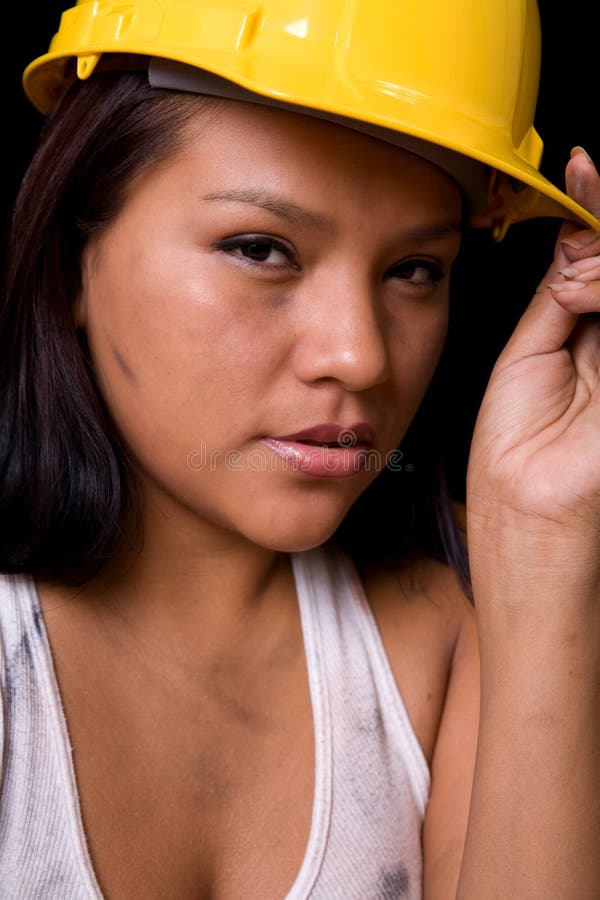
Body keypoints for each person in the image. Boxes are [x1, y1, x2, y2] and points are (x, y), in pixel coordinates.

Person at [0, 1, 599, 897]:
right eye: (260, 248)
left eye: (414, 271)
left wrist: (546, 537)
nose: (359, 354)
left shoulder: (454, 644)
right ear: (70, 262)